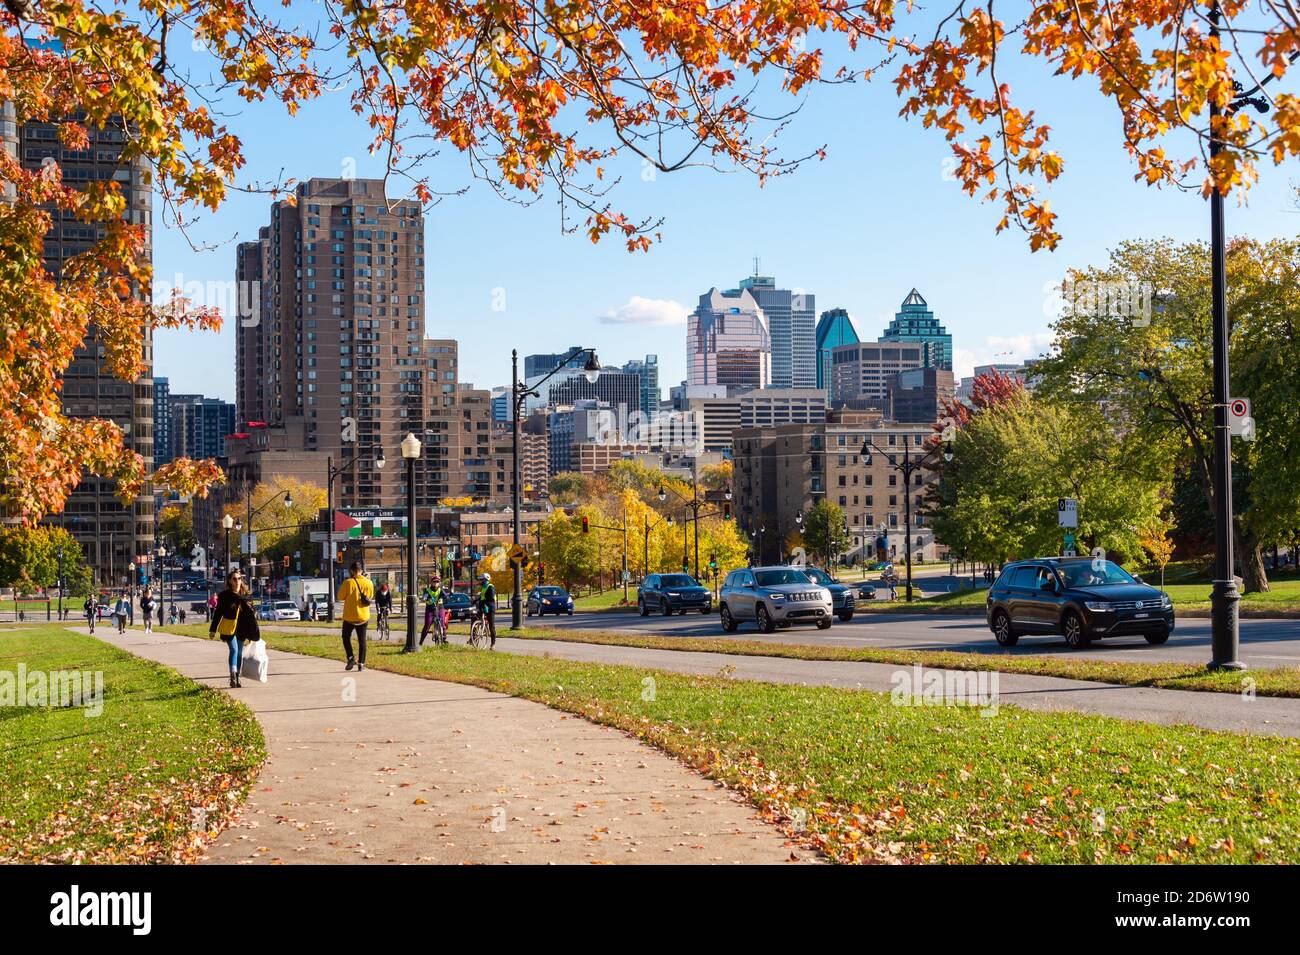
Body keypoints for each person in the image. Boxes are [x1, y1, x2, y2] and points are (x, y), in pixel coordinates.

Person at [209, 569, 260, 688]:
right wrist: (213, 629)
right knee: (234, 650)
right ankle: (232, 674)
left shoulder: (246, 596)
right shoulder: (225, 596)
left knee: (239, 653)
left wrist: (252, 632)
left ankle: (237, 678)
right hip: (229, 627)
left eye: (239, 578)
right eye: (234, 579)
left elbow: (250, 616)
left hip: (241, 628)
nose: (237, 581)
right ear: (230, 581)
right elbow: (218, 613)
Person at [336, 562, 374, 671]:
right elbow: (370, 596)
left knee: (345, 637)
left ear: (352, 571)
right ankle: (361, 663)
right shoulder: (369, 583)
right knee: (362, 641)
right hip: (363, 616)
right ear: (361, 570)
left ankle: (351, 657)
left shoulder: (348, 583)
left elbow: (340, 596)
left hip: (349, 617)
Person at [419, 575, 446, 646]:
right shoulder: (427, 590)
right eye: (434, 582)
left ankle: (444, 638)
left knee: (442, 621)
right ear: (431, 582)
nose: (436, 583)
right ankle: (420, 642)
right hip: (430, 609)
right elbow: (424, 596)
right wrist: (425, 598)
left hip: (440, 607)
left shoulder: (440, 590)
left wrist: (446, 598)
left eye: (437, 582)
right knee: (427, 624)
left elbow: (446, 596)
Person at [476, 572, 497, 649]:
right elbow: (482, 596)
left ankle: (493, 644)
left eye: (481, 580)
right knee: (474, 617)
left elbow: (491, 597)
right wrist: (475, 600)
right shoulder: (483, 587)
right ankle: (473, 637)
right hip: (483, 606)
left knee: (492, 625)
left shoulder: (490, 587)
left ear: (485, 580)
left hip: (490, 607)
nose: (480, 581)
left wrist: (484, 601)